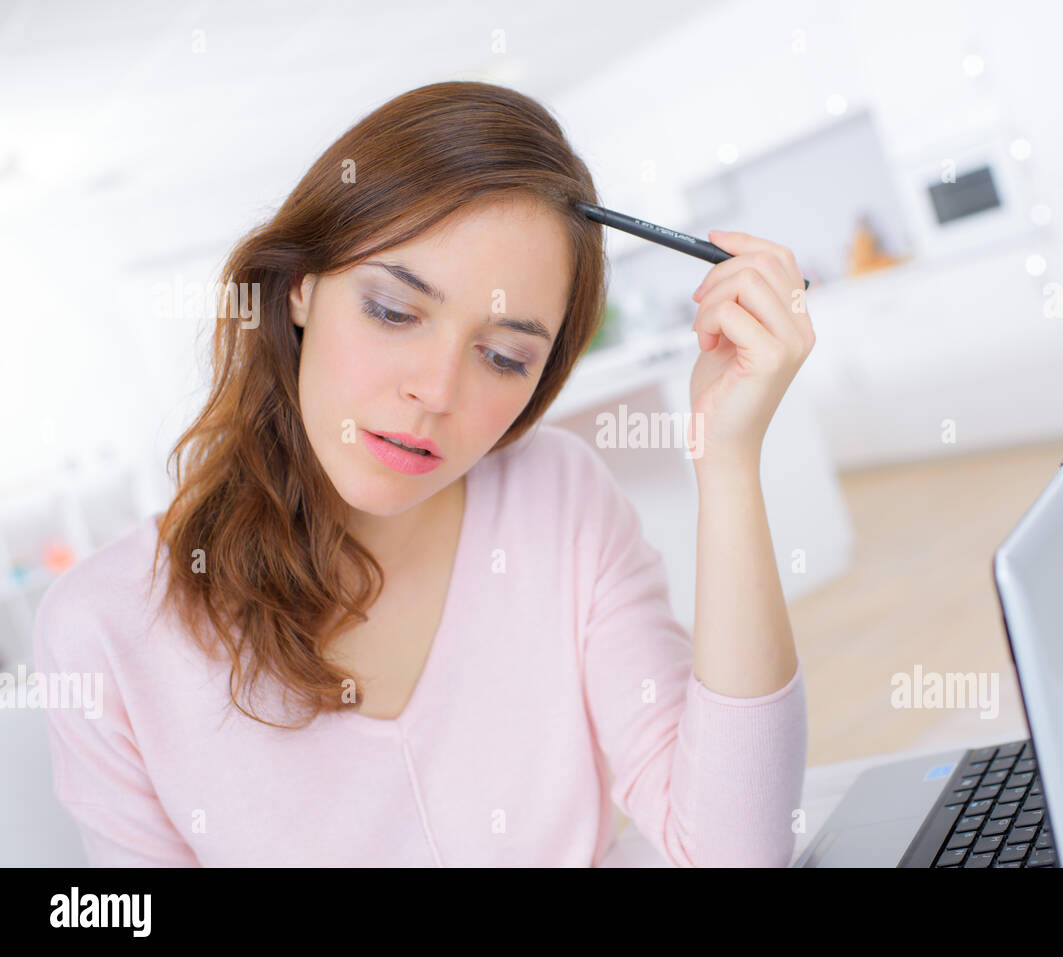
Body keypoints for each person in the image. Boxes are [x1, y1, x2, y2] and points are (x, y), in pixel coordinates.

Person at [34, 80, 815, 867]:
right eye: (394, 312)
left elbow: (736, 853)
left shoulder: (559, 497)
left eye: (504, 356)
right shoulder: (103, 626)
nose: (436, 392)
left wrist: (729, 463)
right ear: (300, 285)